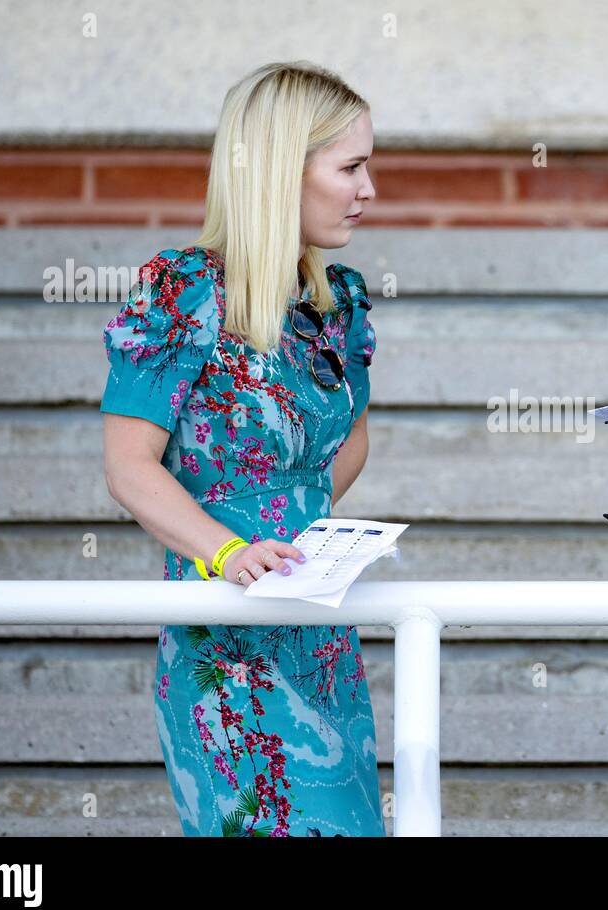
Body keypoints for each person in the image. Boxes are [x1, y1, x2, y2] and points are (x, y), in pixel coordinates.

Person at [99, 62, 382, 836]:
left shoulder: (338, 299)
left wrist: (304, 535)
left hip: (319, 634)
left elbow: (347, 447)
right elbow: (128, 467)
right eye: (350, 167)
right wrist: (230, 550)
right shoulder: (181, 289)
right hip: (220, 638)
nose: (369, 189)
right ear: (283, 169)